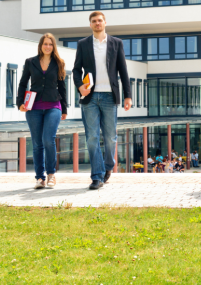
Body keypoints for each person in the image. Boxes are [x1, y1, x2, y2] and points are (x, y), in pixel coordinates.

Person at [73, 11, 132, 191]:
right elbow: (76, 70)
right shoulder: (83, 44)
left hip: (109, 96)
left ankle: (108, 166)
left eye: (100, 20)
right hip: (90, 97)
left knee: (110, 137)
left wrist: (128, 96)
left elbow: (123, 70)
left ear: (105, 22)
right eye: (94, 21)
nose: (97, 23)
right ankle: (96, 176)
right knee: (92, 137)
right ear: (90, 25)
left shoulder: (116, 43)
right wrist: (79, 86)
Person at [18, 33, 69, 189]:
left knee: (48, 139)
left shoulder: (59, 63)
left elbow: (62, 87)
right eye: (45, 44)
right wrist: (20, 103)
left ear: (53, 47)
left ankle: (51, 174)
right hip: (33, 107)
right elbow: (22, 83)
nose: (48, 46)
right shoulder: (30, 62)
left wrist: (65, 108)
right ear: (40, 45)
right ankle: (40, 178)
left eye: (50, 44)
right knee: (37, 143)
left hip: (53, 106)